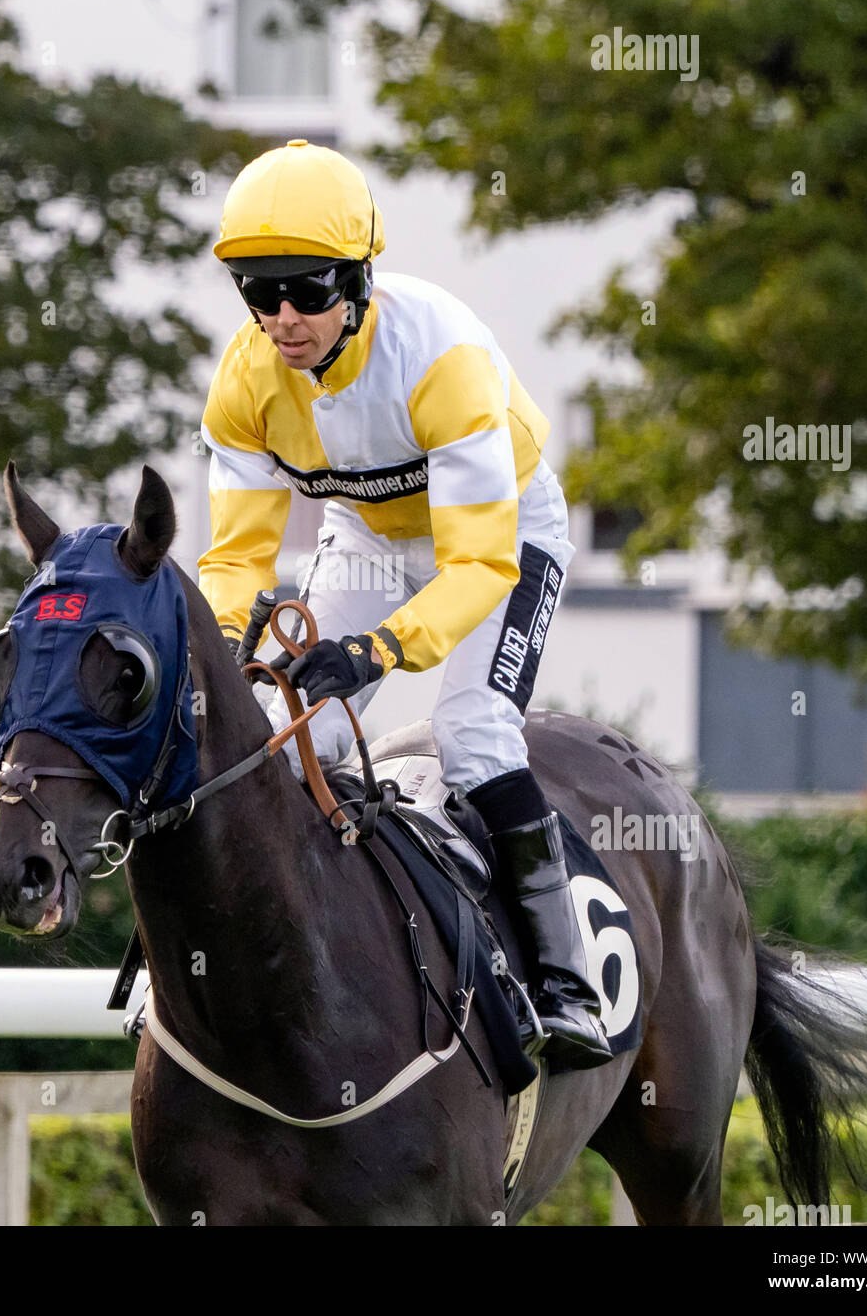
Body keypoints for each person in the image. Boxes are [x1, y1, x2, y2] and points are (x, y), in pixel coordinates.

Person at [197, 139, 611, 1071]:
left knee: (471, 732)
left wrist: (378, 651)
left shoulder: (442, 358)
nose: (283, 319)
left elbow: (472, 568)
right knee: (292, 733)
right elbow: (236, 556)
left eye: (307, 289)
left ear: (360, 277)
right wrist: (224, 639)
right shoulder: (246, 382)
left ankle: (562, 979)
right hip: (371, 533)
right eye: (258, 295)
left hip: (499, 529)